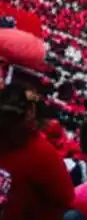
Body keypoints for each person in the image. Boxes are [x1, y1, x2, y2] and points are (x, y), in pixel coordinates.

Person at [0, 72, 75, 220]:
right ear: (30, 113)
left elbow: (65, 198)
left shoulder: (42, 154)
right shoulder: (43, 153)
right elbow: (66, 198)